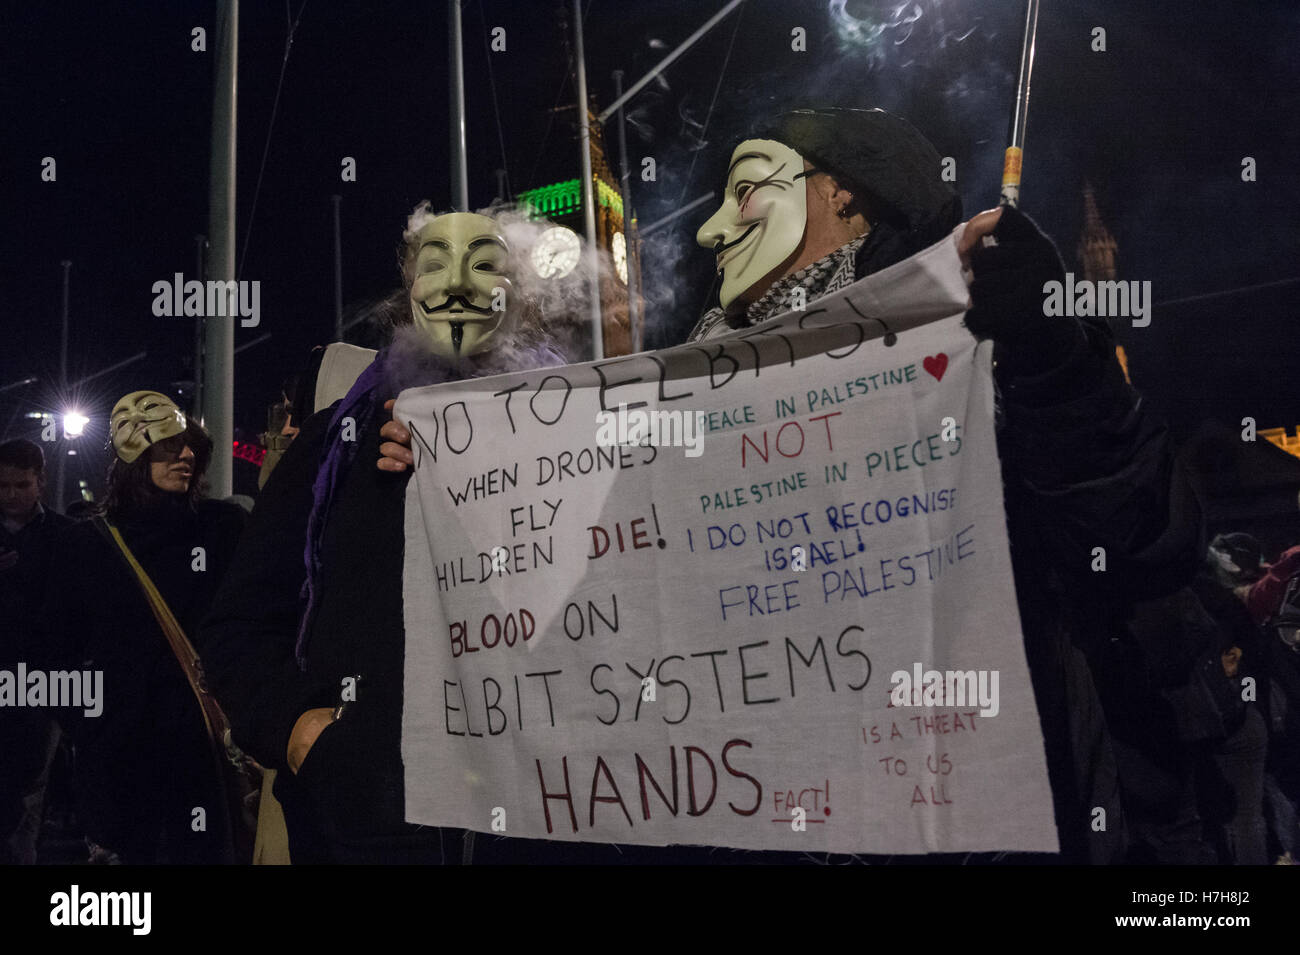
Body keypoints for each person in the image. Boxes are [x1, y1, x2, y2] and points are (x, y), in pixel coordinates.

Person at [377, 108, 1200, 864]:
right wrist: (468, 486)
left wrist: (1055, 363)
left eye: (744, 192)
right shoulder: (687, 395)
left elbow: (1141, 539)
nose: (707, 230)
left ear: (844, 196)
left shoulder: (976, 341)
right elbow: (598, 604)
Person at [202, 207, 572, 863]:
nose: (457, 285)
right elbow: (240, 624)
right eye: (435, 265)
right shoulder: (332, 446)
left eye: (484, 265)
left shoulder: (577, 438)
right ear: (409, 289)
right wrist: (303, 733)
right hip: (364, 834)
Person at [35, 391, 246, 863]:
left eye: (190, 445)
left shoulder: (223, 527)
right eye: (169, 446)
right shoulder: (86, 544)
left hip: (207, 753)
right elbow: (55, 650)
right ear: (135, 455)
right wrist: (94, 726)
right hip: (123, 764)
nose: (186, 455)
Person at [0, 439, 72, 863]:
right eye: (3, 485)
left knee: (31, 783)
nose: (10, 495)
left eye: (20, 485)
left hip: (39, 680)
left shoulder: (64, 536)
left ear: (39, 482)